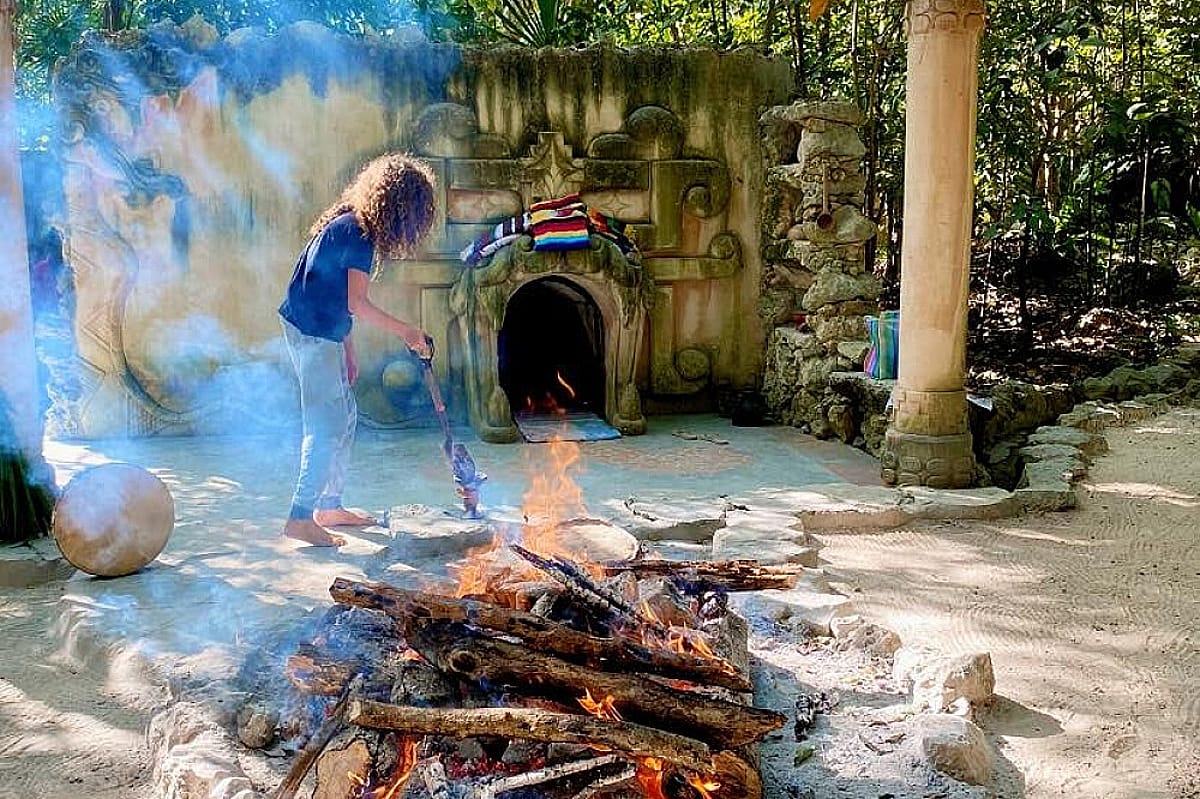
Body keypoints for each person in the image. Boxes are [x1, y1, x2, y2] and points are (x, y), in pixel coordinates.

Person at [279, 153, 437, 547]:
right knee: (325, 425)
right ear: (400, 206)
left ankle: (329, 506)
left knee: (345, 416)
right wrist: (408, 331)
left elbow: (331, 293)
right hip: (312, 332)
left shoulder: (349, 226)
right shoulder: (359, 234)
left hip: (319, 329)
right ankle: (300, 516)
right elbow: (356, 303)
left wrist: (347, 347)